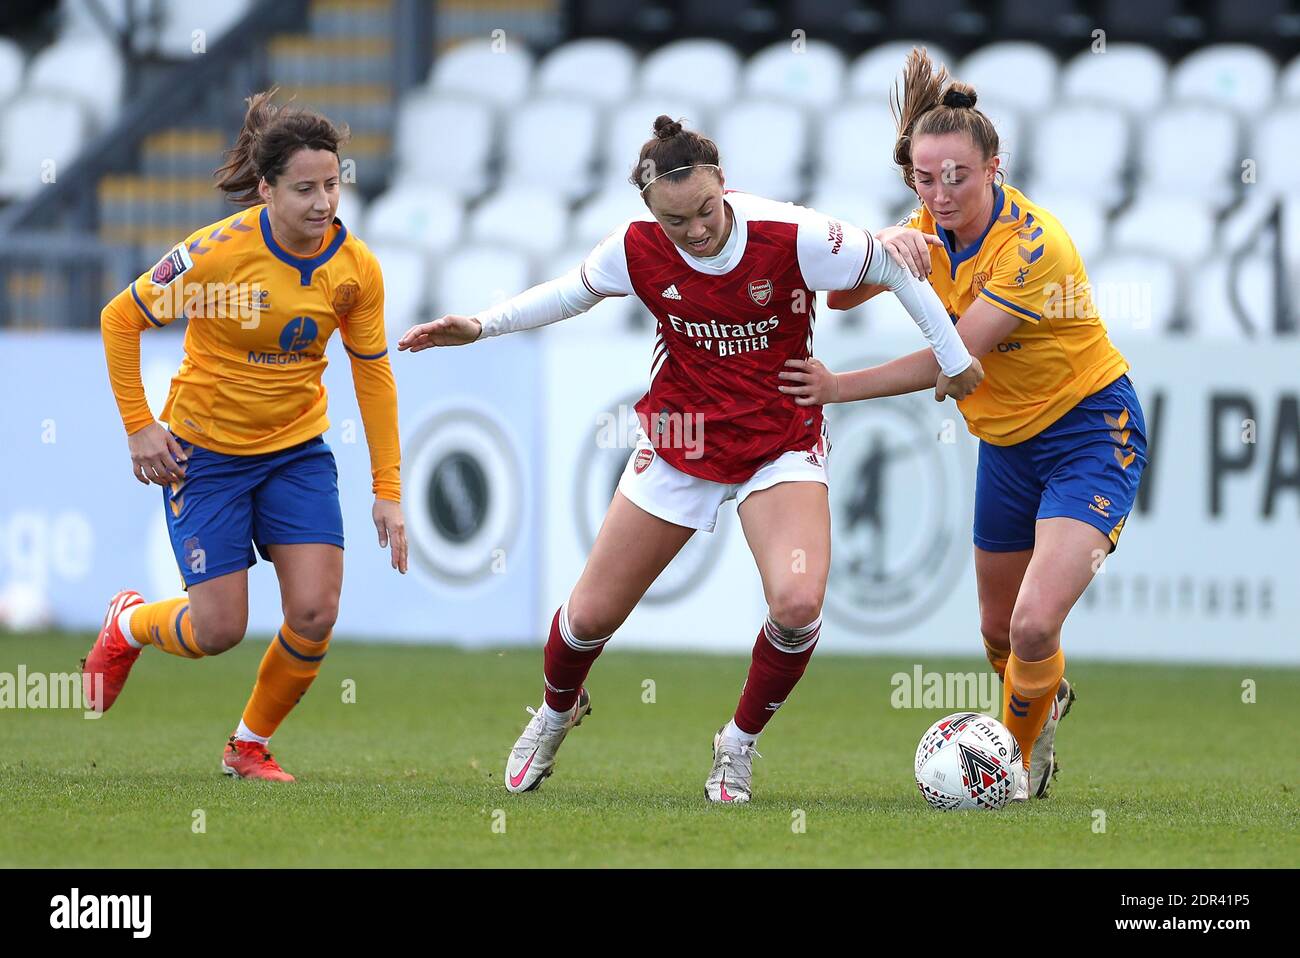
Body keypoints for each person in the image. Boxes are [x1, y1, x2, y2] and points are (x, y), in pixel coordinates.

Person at [398, 115, 982, 803]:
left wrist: (955, 358)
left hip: (779, 440)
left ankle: (736, 745)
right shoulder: (635, 247)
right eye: (678, 221)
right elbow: (569, 292)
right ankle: (556, 712)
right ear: (651, 212)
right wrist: (481, 325)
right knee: (588, 619)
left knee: (797, 603)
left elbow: (889, 265)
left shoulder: (790, 234)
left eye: (706, 210)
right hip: (681, 441)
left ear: (724, 186)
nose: (697, 230)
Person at [782, 49, 1147, 799]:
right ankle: (1037, 714)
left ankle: (1010, 765)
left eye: (957, 176)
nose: (942, 193)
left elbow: (953, 357)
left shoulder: (1034, 247)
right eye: (925, 179)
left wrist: (834, 388)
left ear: (993, 168)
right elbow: (839, 295)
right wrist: (883, 247)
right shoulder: (924, 225)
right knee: (998, 633)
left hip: (1089, 432)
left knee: (1036, 626)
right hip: (1006, 447)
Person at [84, 90, 407, 782]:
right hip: (205, 458)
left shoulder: (356, 270)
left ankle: (247, 746)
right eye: (305, 189)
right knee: (218, 631)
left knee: (315, 611)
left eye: (333, 184)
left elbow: (374, 377)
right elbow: (121, 318)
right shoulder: (217, 257)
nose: (324, 203)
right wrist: (140, 427)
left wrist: (388, 489)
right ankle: (130, 624)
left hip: (296, 451)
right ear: (265, 190)